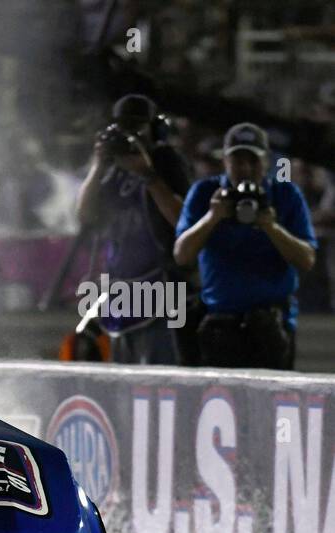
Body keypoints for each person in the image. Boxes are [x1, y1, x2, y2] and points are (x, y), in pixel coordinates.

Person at [173, 123, 318, 369]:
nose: (245, 169)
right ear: (225, 161)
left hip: (270, 324)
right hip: (221, 321)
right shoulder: (205, 193)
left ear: (266, 162)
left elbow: (306, 260)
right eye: (237, 161)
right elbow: (182, 255)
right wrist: (213, 217)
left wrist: (271, 227)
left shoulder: (286, 195)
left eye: (253, 161)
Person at [76, 94, 191, 364]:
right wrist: (99, 165)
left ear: (155, 129)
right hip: (121, 288)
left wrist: (147, 174)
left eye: (138, 127)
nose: (131, 135)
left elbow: (182, 220)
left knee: (159, 373)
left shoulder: (165, 159)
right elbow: (86, 214)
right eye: (124, 127)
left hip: (161, 287)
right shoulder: (113, 167)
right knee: (122, 375)